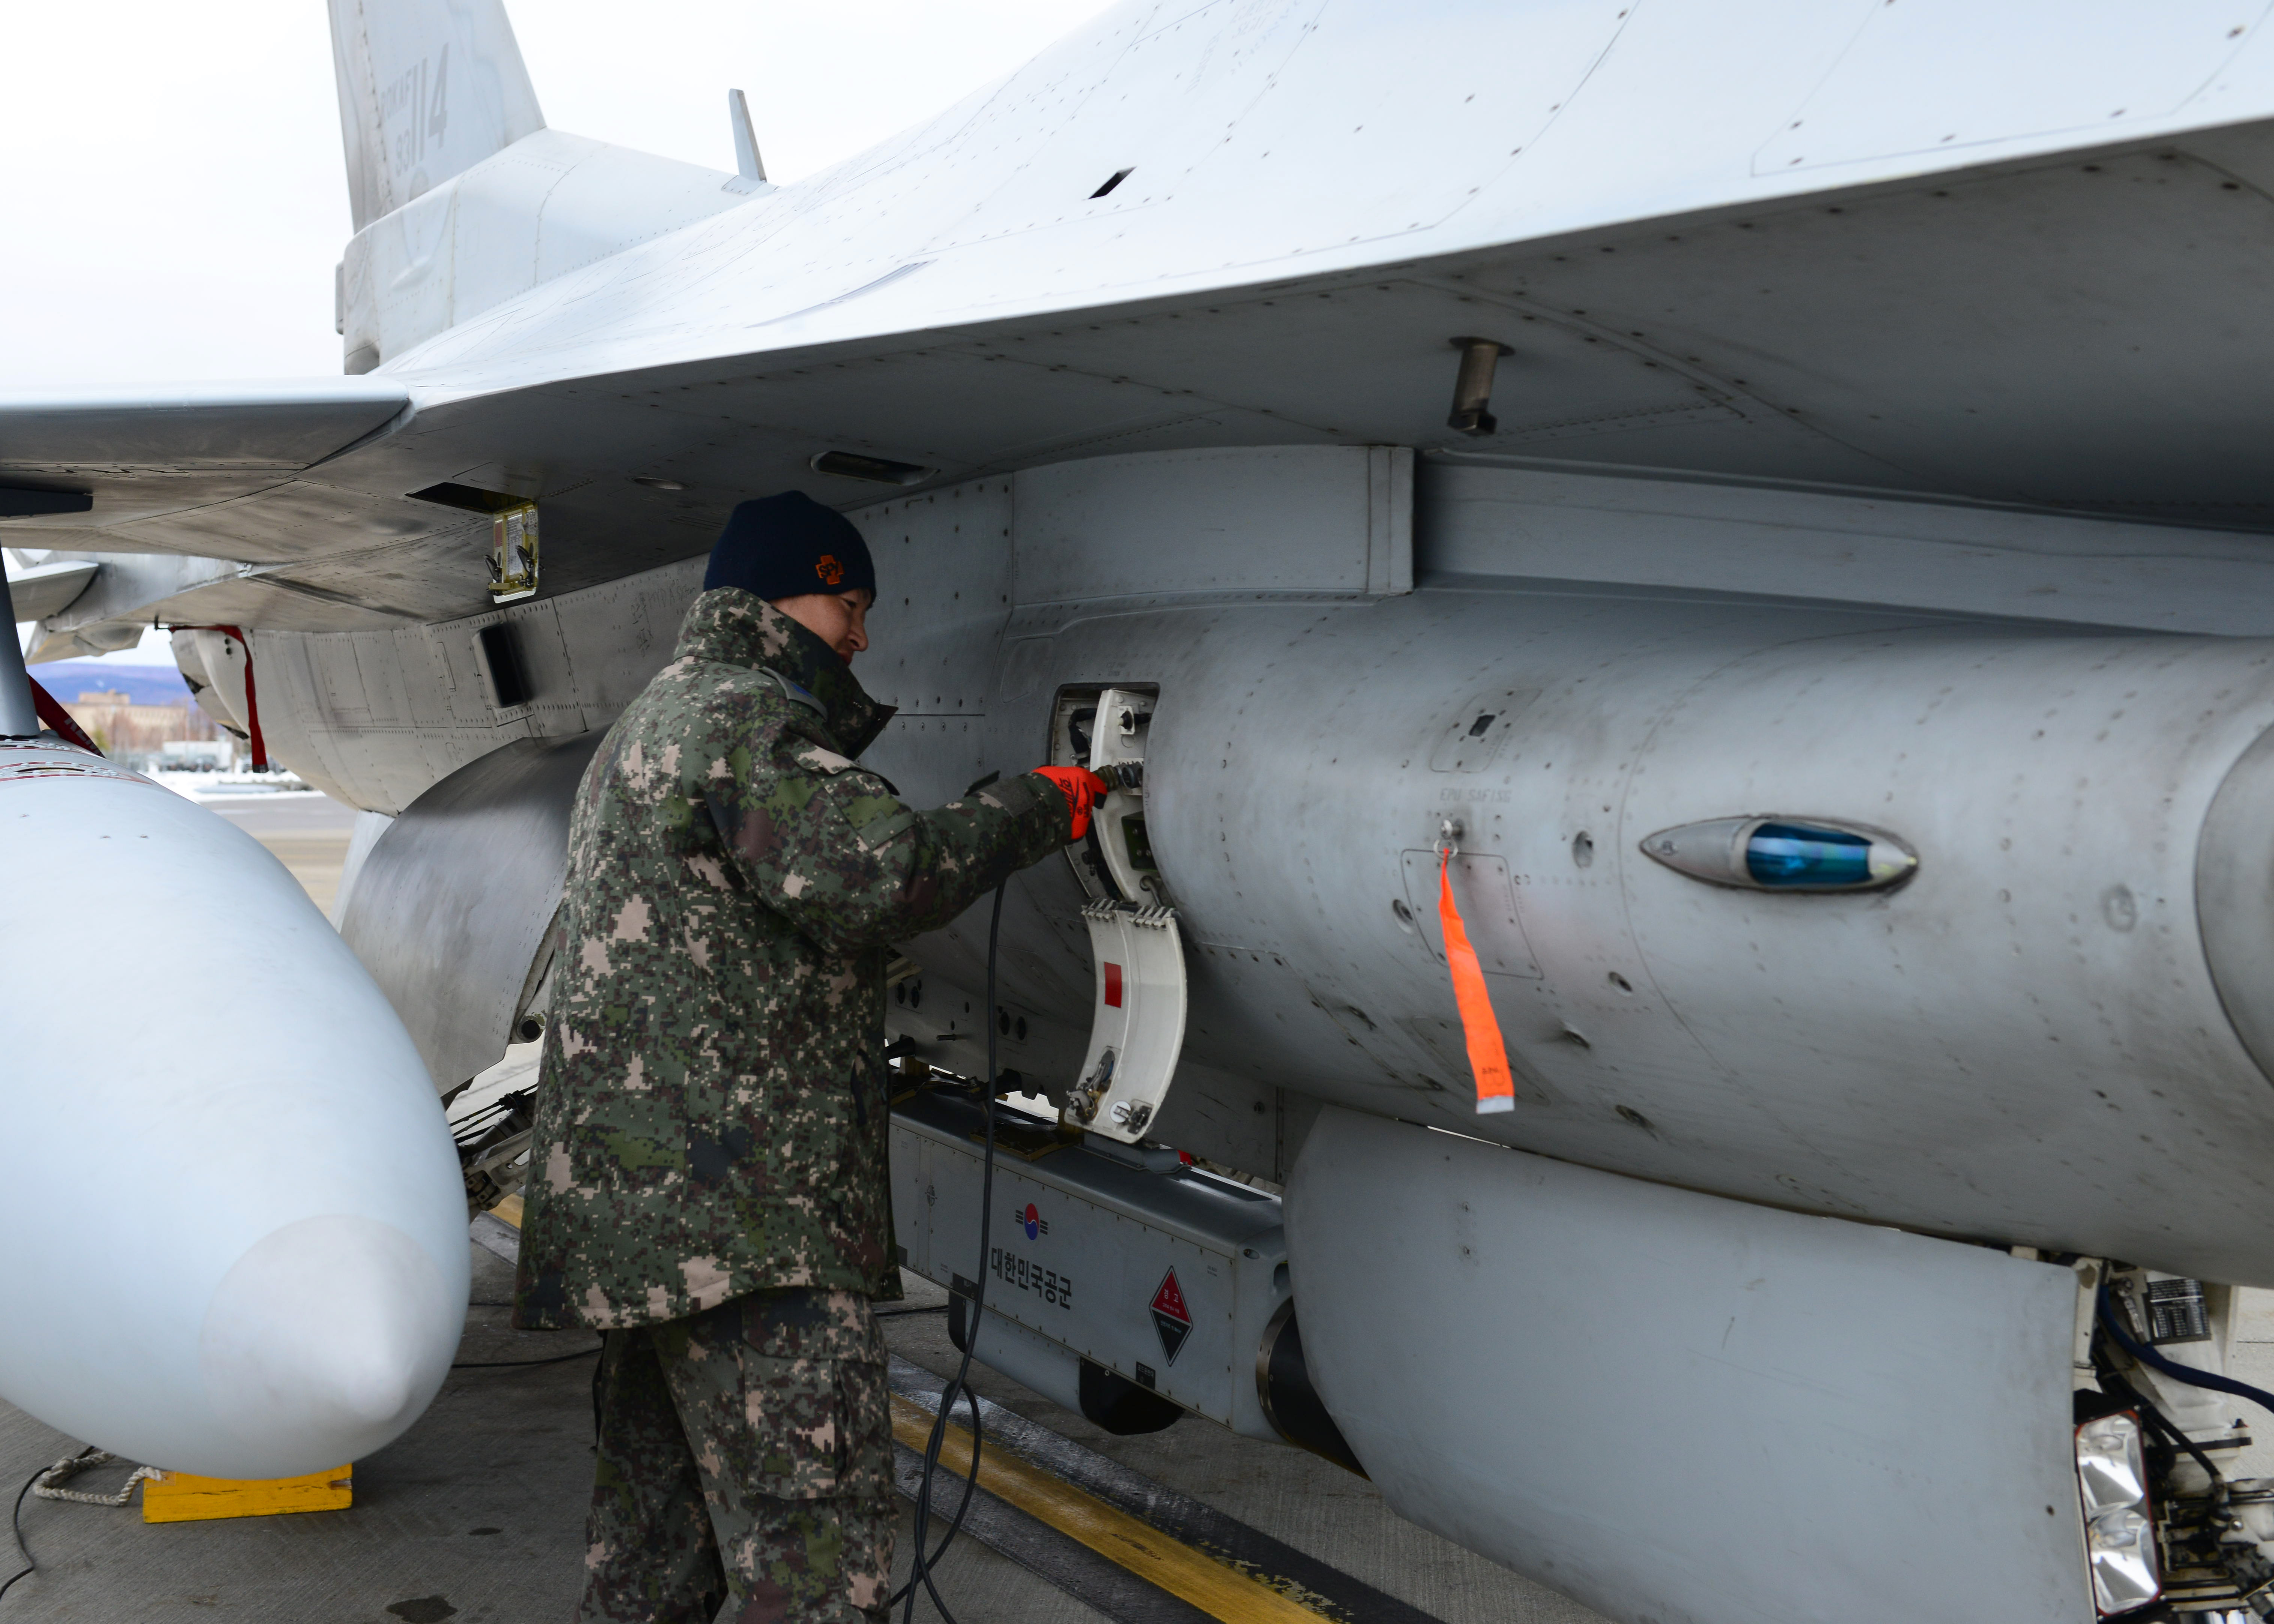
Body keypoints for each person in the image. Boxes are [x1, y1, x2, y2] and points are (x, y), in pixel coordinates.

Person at [513, 489, 1105, 1623]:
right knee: (814, 1556)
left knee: (649, 1560)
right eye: (850, 605)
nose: (863, 638)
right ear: (790, 594)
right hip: (747, 1233)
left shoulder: (656, 718)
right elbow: (886, 876)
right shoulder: (747, 719)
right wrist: (1039, 804)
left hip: (645, 1228)